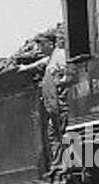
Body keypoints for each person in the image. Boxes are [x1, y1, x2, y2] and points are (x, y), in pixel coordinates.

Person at [19, 31, 70, 172]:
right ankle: (57, 164)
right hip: (53, 107)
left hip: (61, 105)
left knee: (62, 134)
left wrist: (59, 82)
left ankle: (65, 165)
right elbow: (43, 61)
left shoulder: (61, 56)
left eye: (41, 43)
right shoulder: (52, 57)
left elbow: (69, 74)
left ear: (51, 43)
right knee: (53, 134)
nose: (38, 47)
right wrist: (26, 68)